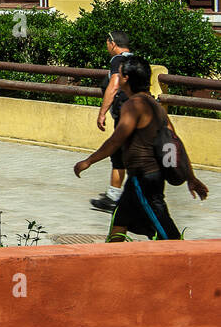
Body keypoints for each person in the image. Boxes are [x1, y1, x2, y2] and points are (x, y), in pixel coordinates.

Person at [74, 55, 208, 240]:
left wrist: (88, 161)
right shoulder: (155, 105)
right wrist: (190, 177)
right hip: (143, 179)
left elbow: (116, 140)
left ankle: (186, 265)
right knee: (118, 226)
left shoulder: (133, 105)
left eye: (119, 74)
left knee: (167, 234)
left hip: (144, 179)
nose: (117, 78)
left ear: (126, 78)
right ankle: (113, 266)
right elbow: (174, 141)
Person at [90, 31, 134, 212]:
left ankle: (114, 198)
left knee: (118, 156)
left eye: (107, 43)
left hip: (124, 114)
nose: (107, 47)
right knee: (128, 155)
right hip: (137, 112)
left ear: (113, 44)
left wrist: (102, 113)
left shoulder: (118, 61)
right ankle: (120, 195)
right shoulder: (136, 60)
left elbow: (114, 84)